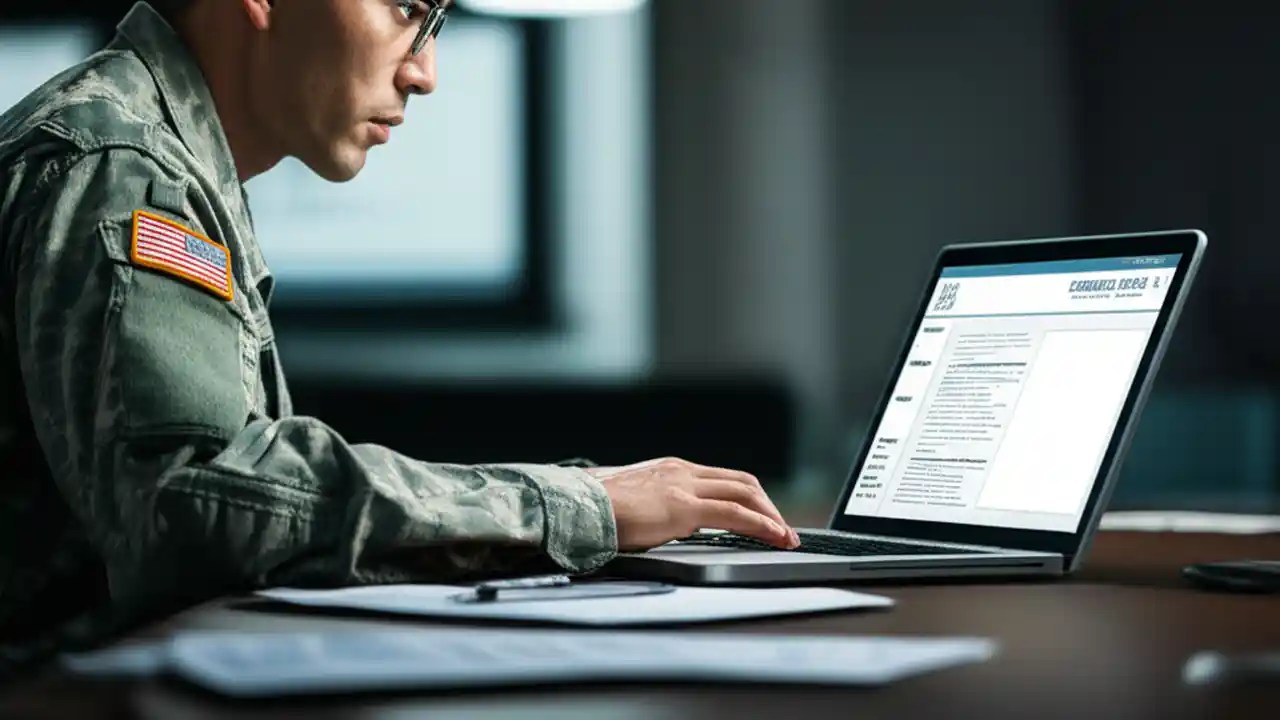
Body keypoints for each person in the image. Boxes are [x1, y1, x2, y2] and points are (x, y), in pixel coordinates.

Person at [0, 0, 798, 641]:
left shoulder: (155, 156)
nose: (425, 72)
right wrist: (575, 506)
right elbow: (200, 503)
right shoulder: (123, 167)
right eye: (406, 10)